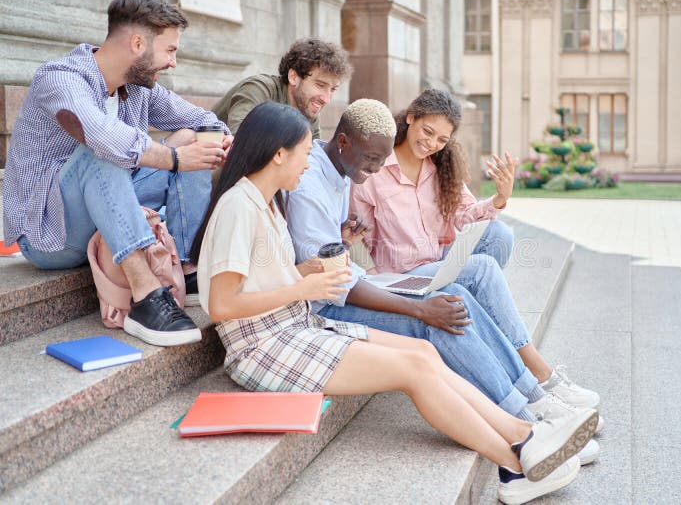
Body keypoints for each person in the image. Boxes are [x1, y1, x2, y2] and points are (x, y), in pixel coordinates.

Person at [189, 101, 597, 504]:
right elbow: (222, 306)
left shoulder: (266, 203)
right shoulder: (240, 208)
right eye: (302, 155)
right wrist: (302, 289)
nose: (308, 164)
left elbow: (266, 279)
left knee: (423, 350)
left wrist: (306, 272)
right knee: (414, 369)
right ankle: (515, 460)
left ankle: (524, 434)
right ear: (278, 154)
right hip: (264, 347)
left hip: (293, 327)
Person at [283, 98, 600, 462]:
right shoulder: (325, 183)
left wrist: (344, 241)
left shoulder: (341, 173)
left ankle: (533, 397)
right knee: (445, 311)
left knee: (461, 290)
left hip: (378, 279)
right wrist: (419, 310)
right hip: (347, 297)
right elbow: (334, 282)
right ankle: (527, 420)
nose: (374, 167)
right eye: (372, 159)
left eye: (441, 138)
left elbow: (331, 255)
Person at [350, 89, 603, 422]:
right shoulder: (374, 173)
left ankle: (482, 335)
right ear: (410, 118)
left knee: (498, 234)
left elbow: (466, 213)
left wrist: (499, 198)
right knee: (482, 269)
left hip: (438, 261)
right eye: (427, 132)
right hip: (401, 276)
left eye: (442, 139)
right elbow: (358, 242)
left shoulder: (438, 168)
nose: (431, 143)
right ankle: (539, 372)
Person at [2, 0, 232, 346]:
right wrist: (172, 159)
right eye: (170, 50)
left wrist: (219, 137)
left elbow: (202, 119)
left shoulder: (138, 88)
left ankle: (186, 270)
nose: (173, 63)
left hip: (109, 207)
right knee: (100, 152)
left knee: (195, 138)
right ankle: (145, 298)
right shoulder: (60, 79)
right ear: (138, 43)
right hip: (51, 234)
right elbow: (101, 135)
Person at [212, 38, 352, 137]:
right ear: (293, 77)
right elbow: (238, 142)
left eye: (333, 89)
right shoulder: (259, 89)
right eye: (320, 85)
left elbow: (311, 161)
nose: (326, 99)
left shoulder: (308, 109)